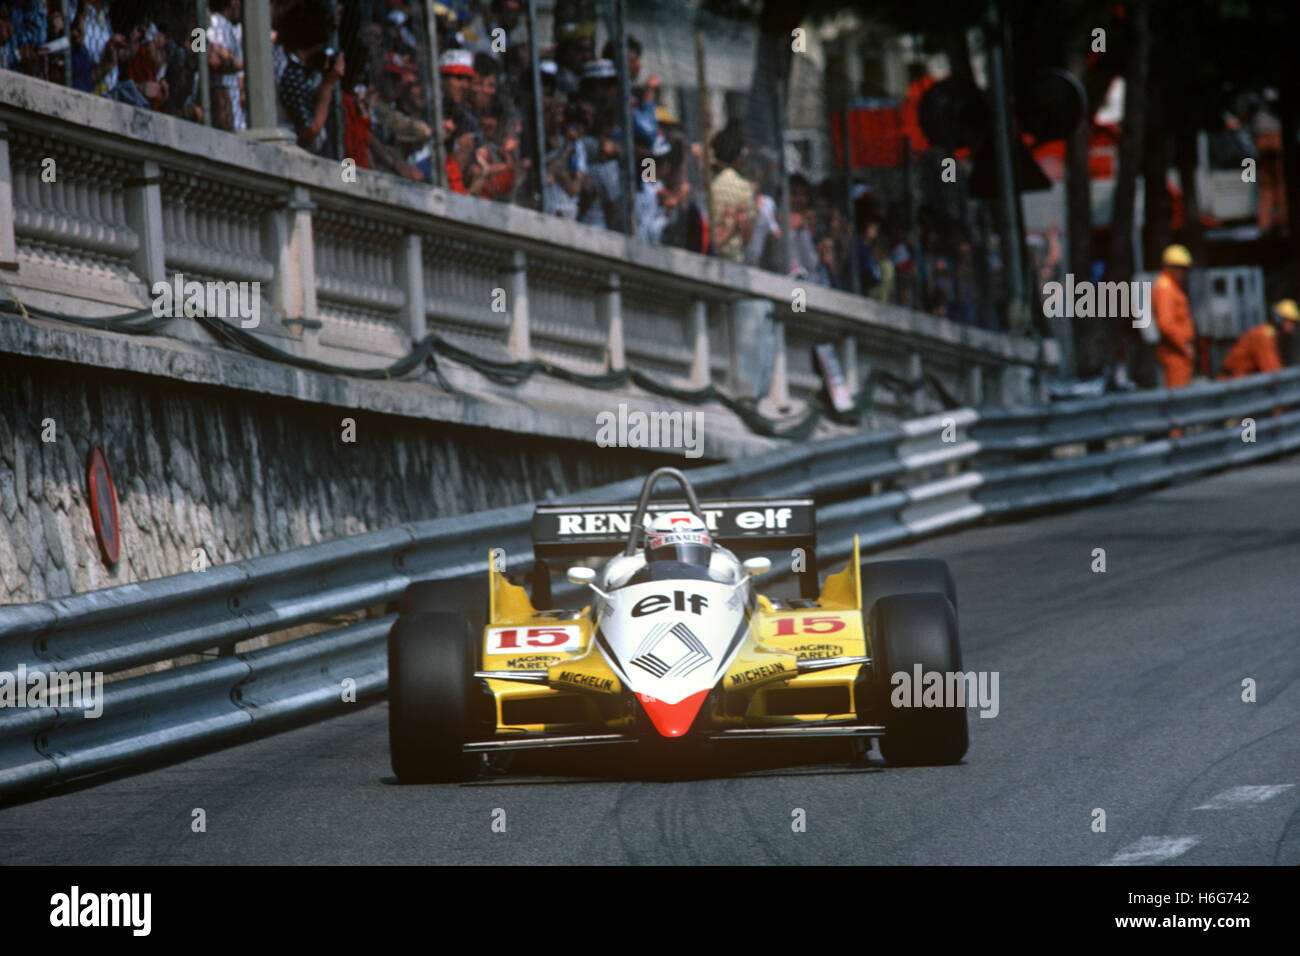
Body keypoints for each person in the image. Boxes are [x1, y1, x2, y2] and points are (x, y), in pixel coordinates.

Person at [708, 120, 756, 264]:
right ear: (737, 157)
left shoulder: (710, 184)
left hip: (709, 255)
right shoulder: (743, 186)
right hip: (733, 256)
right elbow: (747, 228)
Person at [1152, 244, 1197, 388]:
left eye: (1185, 269)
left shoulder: (1171, 286)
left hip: (1177, 351)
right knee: (1179, 400)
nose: (1183, 272)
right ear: (1170, 267)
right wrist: (1184, 347)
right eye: (1181, 268)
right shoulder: (1166, 288)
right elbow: (1166, 324)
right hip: (1174, 352)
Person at [1219, 299, 1298, 378]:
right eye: (1288, 321)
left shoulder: (1273, 335)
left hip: (1243, 381)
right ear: (1279, 319)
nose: (1292, 325)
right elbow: (1273, 370)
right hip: (1232, 382)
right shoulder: (1264, 335)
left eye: (1294, 322)